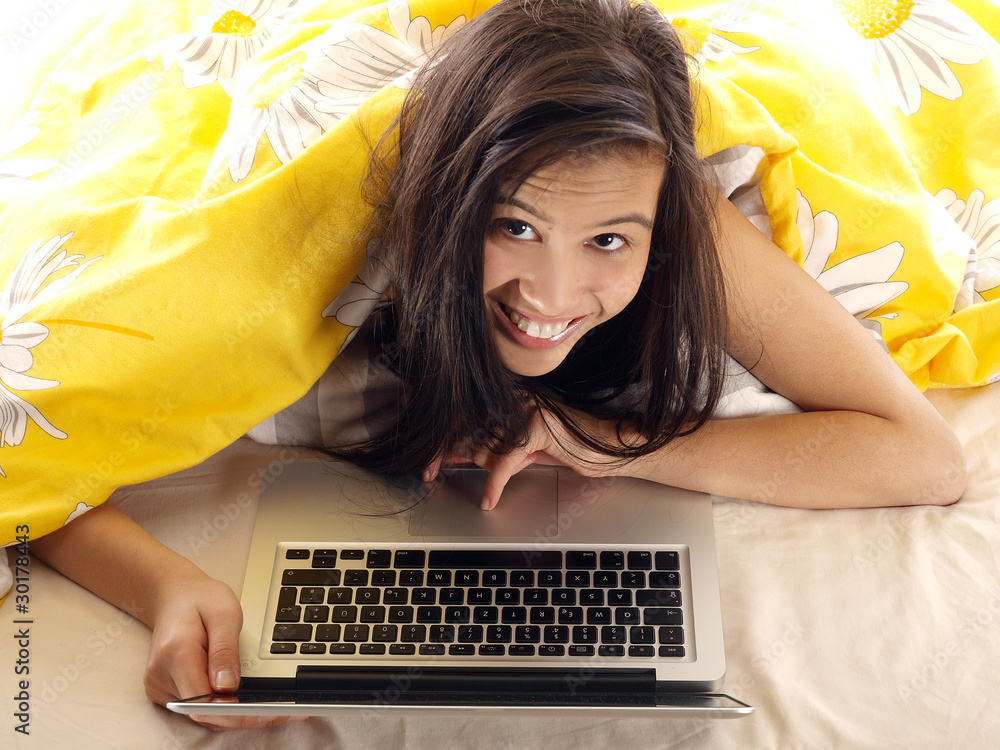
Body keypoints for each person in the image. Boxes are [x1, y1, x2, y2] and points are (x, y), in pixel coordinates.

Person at [29, 0, 966, 730]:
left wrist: (605, 443)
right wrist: (167, 586)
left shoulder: (681, 218)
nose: (550, 295)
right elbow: (38, 430)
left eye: (608, 240)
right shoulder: (333, 267)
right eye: (513, 226)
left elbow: (923, 457)